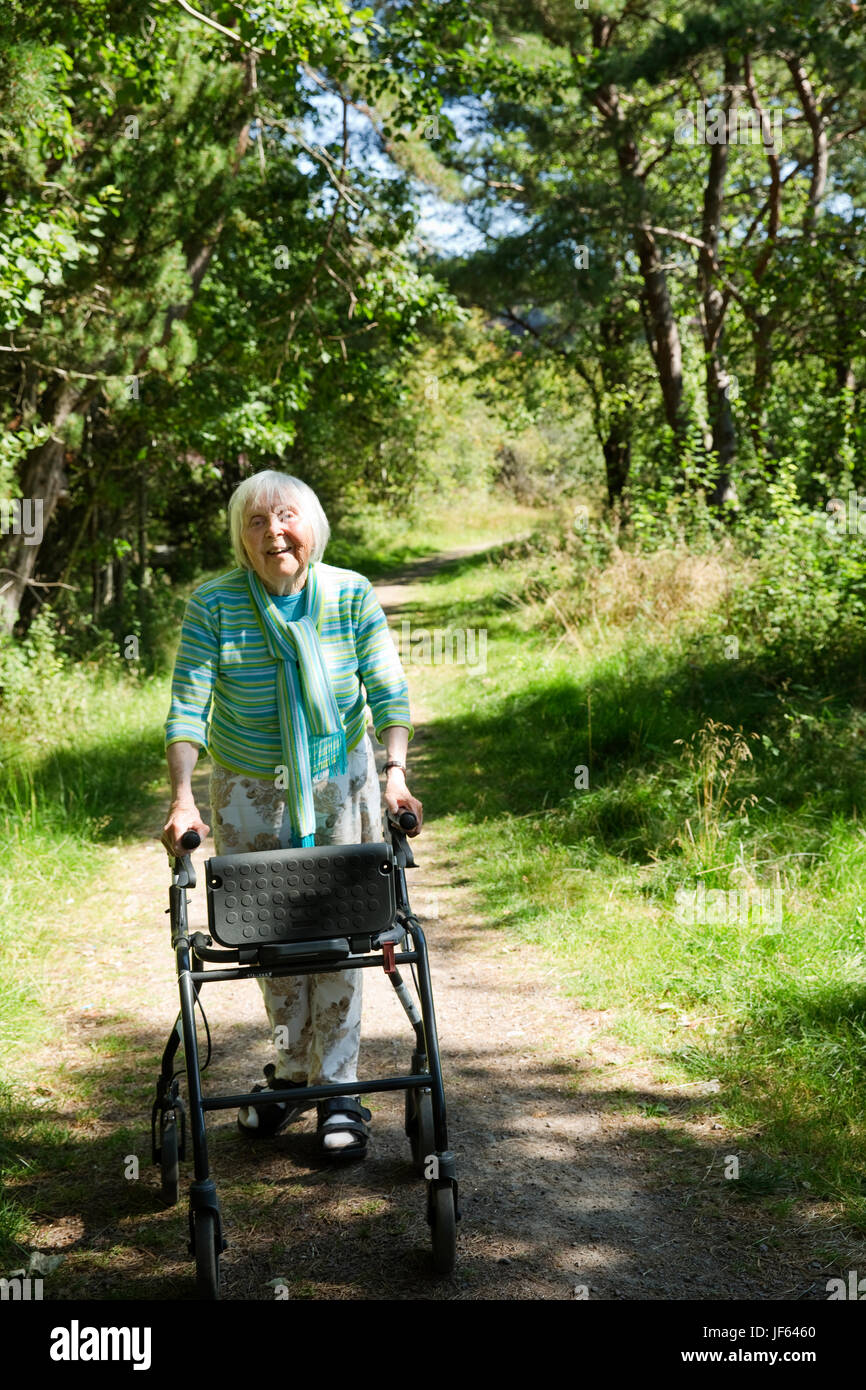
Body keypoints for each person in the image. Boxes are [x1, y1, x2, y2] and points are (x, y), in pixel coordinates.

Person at [161, 469, 422, 1160]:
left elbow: (389, 692)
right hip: (248, 790)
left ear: (313, 527)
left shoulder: (349, 594)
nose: (274, 532)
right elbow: (188, 707)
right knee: (273, 944)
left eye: (286, 518)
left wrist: (396, 779)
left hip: (341, 786)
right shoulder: (214, 603)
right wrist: (183, 796)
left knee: (341, 934)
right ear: (240, 537)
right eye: (256, 522)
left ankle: (338, 1088)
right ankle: (293, 1075)